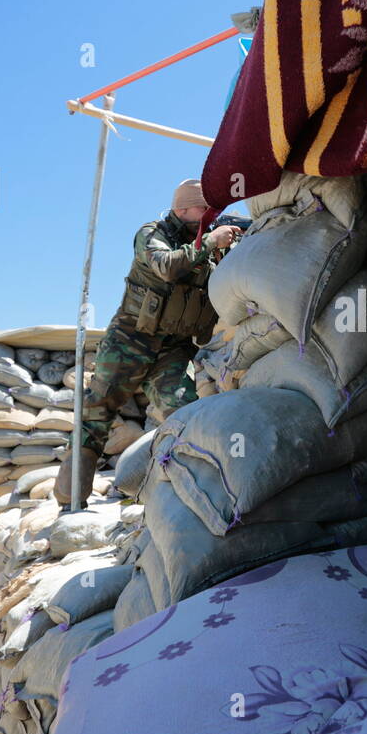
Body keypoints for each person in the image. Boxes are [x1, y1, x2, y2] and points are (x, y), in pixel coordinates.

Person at [54, 179, 242, 507]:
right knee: (98, 411)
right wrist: (211, 241)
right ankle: (69, 497)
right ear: (182, 209)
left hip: (174, 348)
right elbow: (167, 267)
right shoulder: (152, 234)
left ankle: (195, 493)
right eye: (203, 209)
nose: (209, 217)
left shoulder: (208, 245)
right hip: (130, 341)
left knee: (183, 408)